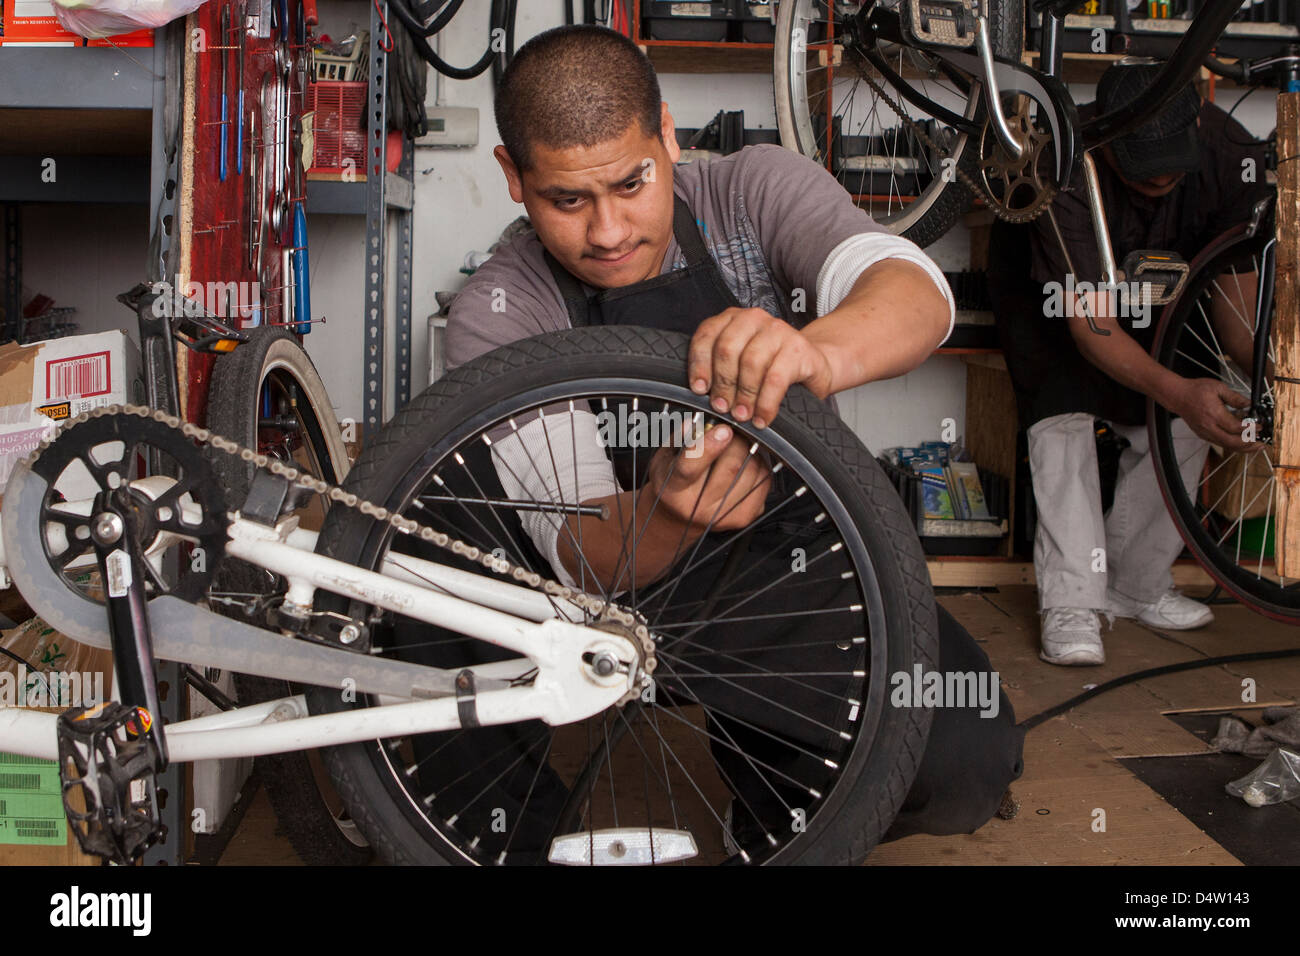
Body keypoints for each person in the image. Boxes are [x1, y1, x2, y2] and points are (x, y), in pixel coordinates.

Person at [430, 23, 1023, 857]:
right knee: (431, 506)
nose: (607, 232)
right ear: (513, 177)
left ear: (668, 133)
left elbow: (915, 292)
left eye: (633, 182)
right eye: (568, 200)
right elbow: (577, 552)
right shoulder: (499, 313)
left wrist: (815, 349)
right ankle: (502, 838)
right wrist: (671, 511)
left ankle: (781, 792)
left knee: (963, 760)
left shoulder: (752, 190)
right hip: (617, 596)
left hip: (790, 557)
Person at [987, 61, 1272, 667]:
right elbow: (1093, 330)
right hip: (1055, 302)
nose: (1165, 176)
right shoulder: (1061, 163)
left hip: (1168, 292)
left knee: (1197, 415)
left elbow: (1234, 302)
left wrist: (1273, 379)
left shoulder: (1230, 155)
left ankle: (1134, 584)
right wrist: (1176, 391)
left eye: (1175, 168)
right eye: (1147, 173)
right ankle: (1071, 600)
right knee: (1062, 425)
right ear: (1111, 144)